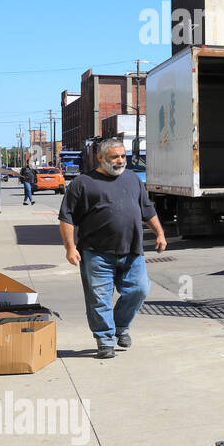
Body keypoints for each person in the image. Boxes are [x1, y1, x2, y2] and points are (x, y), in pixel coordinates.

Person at [58, 138, 167, 359]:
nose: (120, 161)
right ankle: (105, 340)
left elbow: (147, 210)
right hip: (96, 253)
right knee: (99, 298)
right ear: (100, 158)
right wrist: (70, 247)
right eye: (114, 157)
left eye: (123, 156)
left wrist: (160, 233)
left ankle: (120, 326)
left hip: (132, 251)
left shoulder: (133, 179)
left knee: (139, 289)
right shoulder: (82, 183)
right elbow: (66, 217)